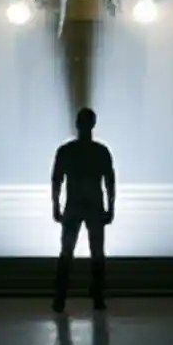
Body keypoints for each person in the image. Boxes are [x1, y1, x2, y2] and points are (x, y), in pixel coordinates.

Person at [51, 107, 115, 312]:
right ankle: (97, 296)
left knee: (67, 252)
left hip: (75, 206)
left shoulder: (66, 151)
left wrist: (55, 205)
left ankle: (61, 297)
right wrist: (111, 207)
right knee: (96, 252)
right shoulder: (100, 151)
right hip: (93, 206)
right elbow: (110, 182)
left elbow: (57, 180)